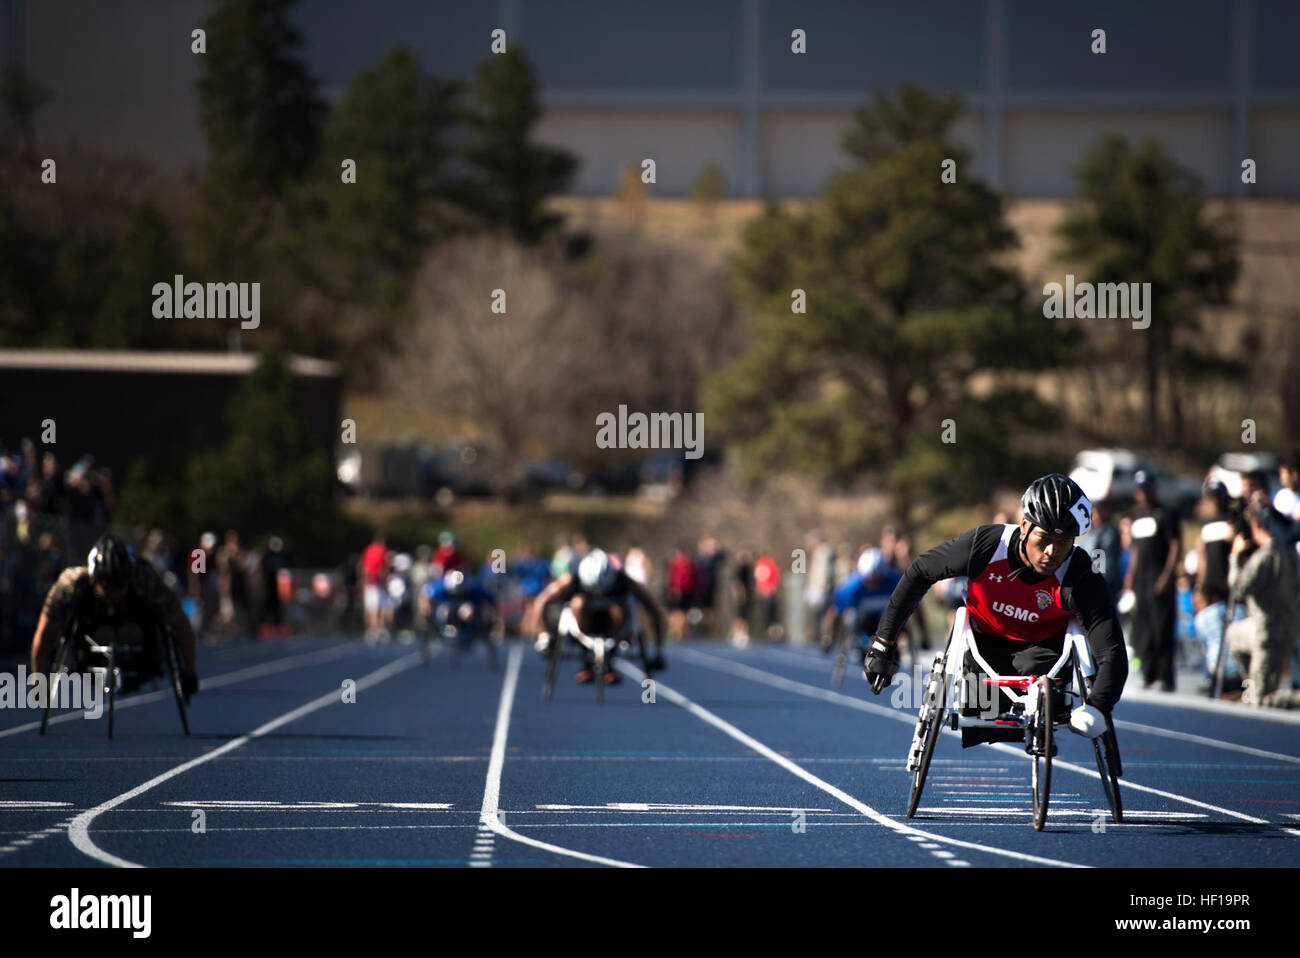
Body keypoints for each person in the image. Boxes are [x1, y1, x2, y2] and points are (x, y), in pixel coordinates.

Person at [864, 474, 1127, 746]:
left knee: (1043, 697)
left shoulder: (1081, 574)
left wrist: (1098, 705)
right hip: (982, 647)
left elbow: (1112, 651)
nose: (1052, 551)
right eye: (1044, 538)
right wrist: (884, 642)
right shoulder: (987, 545)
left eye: (1064, 542)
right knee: (980, 709)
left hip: (1045, 655)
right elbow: (920, 572)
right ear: (1025, 524)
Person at [29, 533, 198, 699]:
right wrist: (38, 679)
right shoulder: (71, 584)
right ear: (94, 579)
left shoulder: (145, 579)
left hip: (137, 635)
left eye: (119, 587)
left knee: (133, 629)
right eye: (107, 588)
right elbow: (45, 633)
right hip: (90, 638)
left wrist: (189, 672)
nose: (114, 594)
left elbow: (180, 624)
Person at [525, 548, 666, 684]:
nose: (598, 595)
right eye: (594, 591)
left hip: (615, 626)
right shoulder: (571, 580)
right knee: (578, 603)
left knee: (621, 606)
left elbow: (653, 610)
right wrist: (544, 636)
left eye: (603, 591)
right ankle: (587, 659)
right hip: (583, 626)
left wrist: (659, 650)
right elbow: (541, 602)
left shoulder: (623, 581)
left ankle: (609, 659)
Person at [1227, 501, 1300, 707]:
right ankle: (1250, 685)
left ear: (1257, 525)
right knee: (1234, 633)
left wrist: (1235, 557)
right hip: (1288, 628)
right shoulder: (1290, 552)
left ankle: (1290, 698)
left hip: (1267, 632)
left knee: (1261, 703)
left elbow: (1239, 589)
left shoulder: (1265, 557)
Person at [1124, 470, 1182, 691]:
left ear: (1154, 489)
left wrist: (1167, 575)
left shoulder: (1166, 513)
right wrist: (1130, 574)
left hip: (1160, 578)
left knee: (1162, 626)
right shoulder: (1137, 516)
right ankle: (1148, 673)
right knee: (1144, 627)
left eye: (1146, 489)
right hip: (1142, 580)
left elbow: (1175, 546)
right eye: (1140, 490)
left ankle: (1165, 676)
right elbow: (1136, 550)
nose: (1143, 494)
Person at [820, 547, 902, 661]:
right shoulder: (851, 586)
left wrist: (924, 635)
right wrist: (829, 638)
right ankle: (863, 646)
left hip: (886, 620)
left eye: (878, 579)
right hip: (862, 621)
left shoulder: (896, 583)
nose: (873, 584)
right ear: (863, 575)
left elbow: (916, 608)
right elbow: (835, 611)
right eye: (869, 579)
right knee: (852, 618)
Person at [424, 568, 497, 657]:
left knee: (468, 610)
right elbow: (426, 597)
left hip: (466, 614)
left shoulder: (473, 588)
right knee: (445, 611)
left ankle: (466, 634)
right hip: (446, 613)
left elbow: (490, 599)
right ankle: (446, 630)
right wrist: (428, 612)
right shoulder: (440, 588)